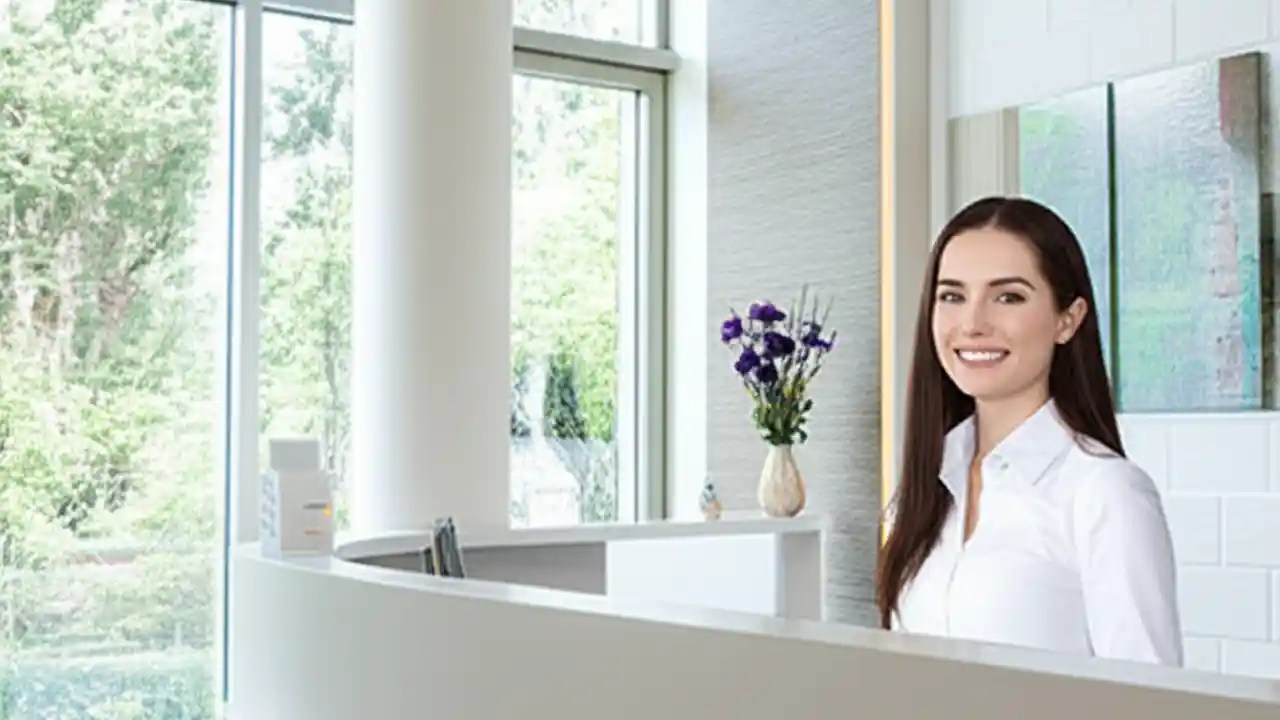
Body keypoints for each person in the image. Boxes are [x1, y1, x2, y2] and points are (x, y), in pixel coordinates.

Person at [876, 196, 1183, 667]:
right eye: (952, 296)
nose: (973, 324)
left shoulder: (1105, 493)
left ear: (1068, 319)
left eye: (1008, 297)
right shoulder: (919, 492)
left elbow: (1154, 704)